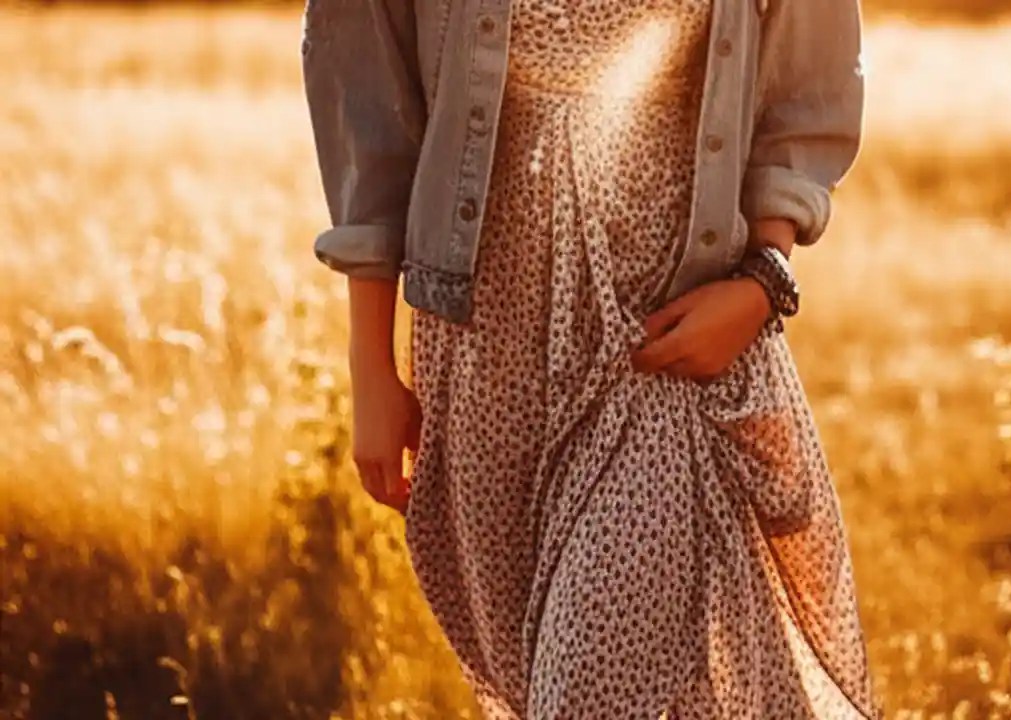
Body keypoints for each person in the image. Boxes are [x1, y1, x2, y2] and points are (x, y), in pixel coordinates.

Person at [301, 0, 882, 717]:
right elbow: (366, 98)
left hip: (666, 343)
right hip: (487, 352)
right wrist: (370, 364)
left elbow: (809, 77)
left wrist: (764, 279)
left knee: (585, 694)